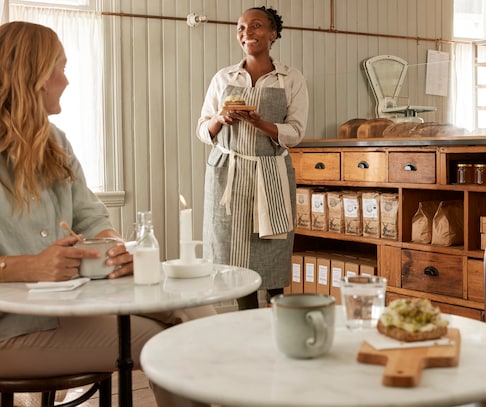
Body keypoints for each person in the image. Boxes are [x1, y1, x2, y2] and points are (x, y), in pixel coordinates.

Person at [0, 21, 215, 379]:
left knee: (198, 312)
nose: (66, 80)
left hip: (69, 310)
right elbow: (35, 266)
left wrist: (116, 251)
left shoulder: (57, 142)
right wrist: (30, 267)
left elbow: (92, 219)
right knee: (175, 344)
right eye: (61, 68)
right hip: (11, 330)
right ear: (33, 75)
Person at [197, 6, 309, 310]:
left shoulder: (289, 78)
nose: (247, 33)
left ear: (273, 34)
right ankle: (245, 316)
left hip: (270, 172)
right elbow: (202, 130)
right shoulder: (224, 78)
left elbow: (296, 133)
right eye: (241, 28)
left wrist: (259, 123)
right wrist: (221, 118)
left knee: (272, 249)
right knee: (233, 253)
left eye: (256, 26)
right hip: (227, 173)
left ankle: (278, 318)